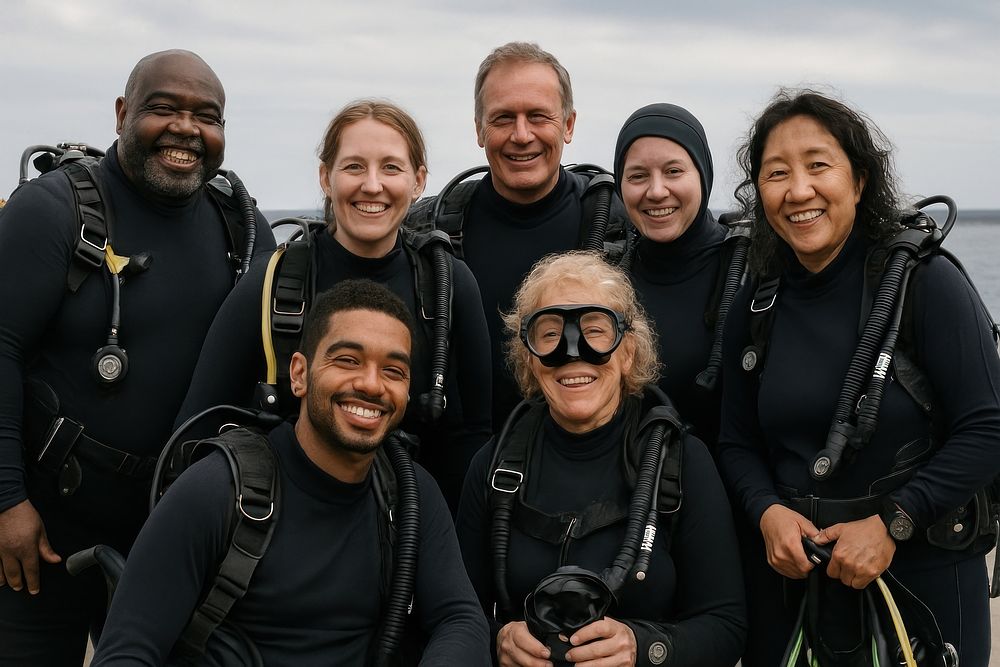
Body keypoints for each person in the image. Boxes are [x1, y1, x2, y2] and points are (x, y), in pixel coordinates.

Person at [0, 49, 276, 666]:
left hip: (173, 535)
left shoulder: (240, 227)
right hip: (44, 532)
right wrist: (6, 501)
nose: (186, 129)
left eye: (207, 116)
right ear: (123, 113)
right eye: (164, 108)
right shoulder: (53, 212)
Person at [717, 89, 1000, 665]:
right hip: (795, 587)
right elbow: (736, 440)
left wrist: (895, 522)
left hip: (923, 583)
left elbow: (990, 427)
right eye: (777, 173)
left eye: (818, 166)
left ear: (861, 179)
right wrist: (765, 512)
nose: (799, 191)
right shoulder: (758, 305)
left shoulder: (927, 284)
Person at [92, 279, 490, 665]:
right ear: (299, 374)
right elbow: (127, 651)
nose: (371, 385)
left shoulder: (411, 495)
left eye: (393, 371)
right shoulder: (215, 490)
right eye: (348, 360)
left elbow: (461, 620)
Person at [176, 99, 491, 511]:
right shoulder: (273, 284)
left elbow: (474, 434)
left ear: (418, 182)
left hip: (410, 528)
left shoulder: (448, 286)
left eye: (391, 168)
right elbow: (195, 430)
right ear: (326, 177)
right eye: (354, 166)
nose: (372, 185)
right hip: (286, 525)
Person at [458, 252, 746, 667]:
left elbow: (727, 625)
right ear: (528, 358)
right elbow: (454, 613)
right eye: (550, 334)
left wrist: (643, 647)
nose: (573, 353)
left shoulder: (682, 463)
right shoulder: (495, 465)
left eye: (595, 331)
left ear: (628, 352)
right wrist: (496, 639)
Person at [406, 41, 630, 427]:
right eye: (503, 118)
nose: (522, 135)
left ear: (569, 124)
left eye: (539, 116)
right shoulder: (425, 232)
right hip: (458, 467)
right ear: (479, 129)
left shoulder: (624, 227)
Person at [614, 103, 742, 447]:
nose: (656, 191)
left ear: (703, 176)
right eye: (638, 175)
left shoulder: (749, 273)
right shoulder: (606, 279)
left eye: (673, 171)